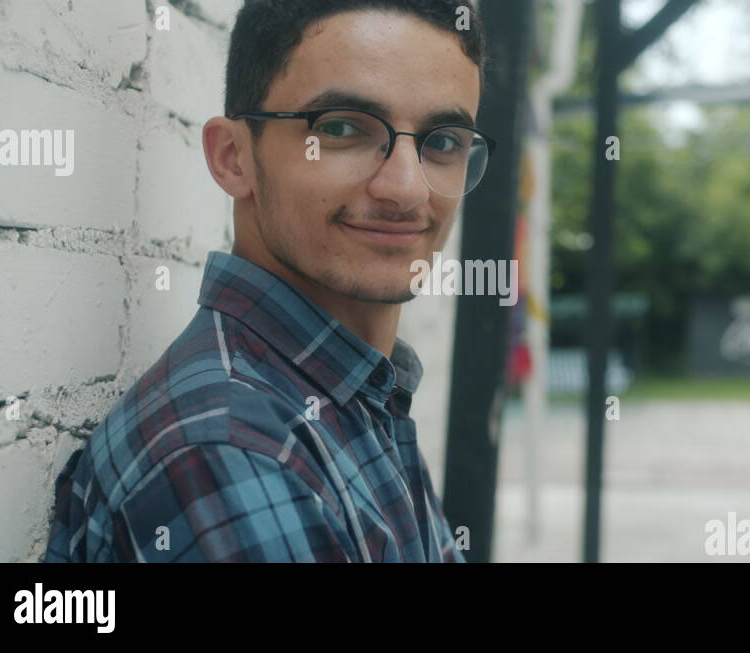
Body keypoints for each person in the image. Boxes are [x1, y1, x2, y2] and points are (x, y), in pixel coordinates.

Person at [44, 0, 493, 562]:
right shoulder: (231, 452)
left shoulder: (356, 390)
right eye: (342, 128)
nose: (406, 189)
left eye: (443, 140)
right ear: (234, 157)